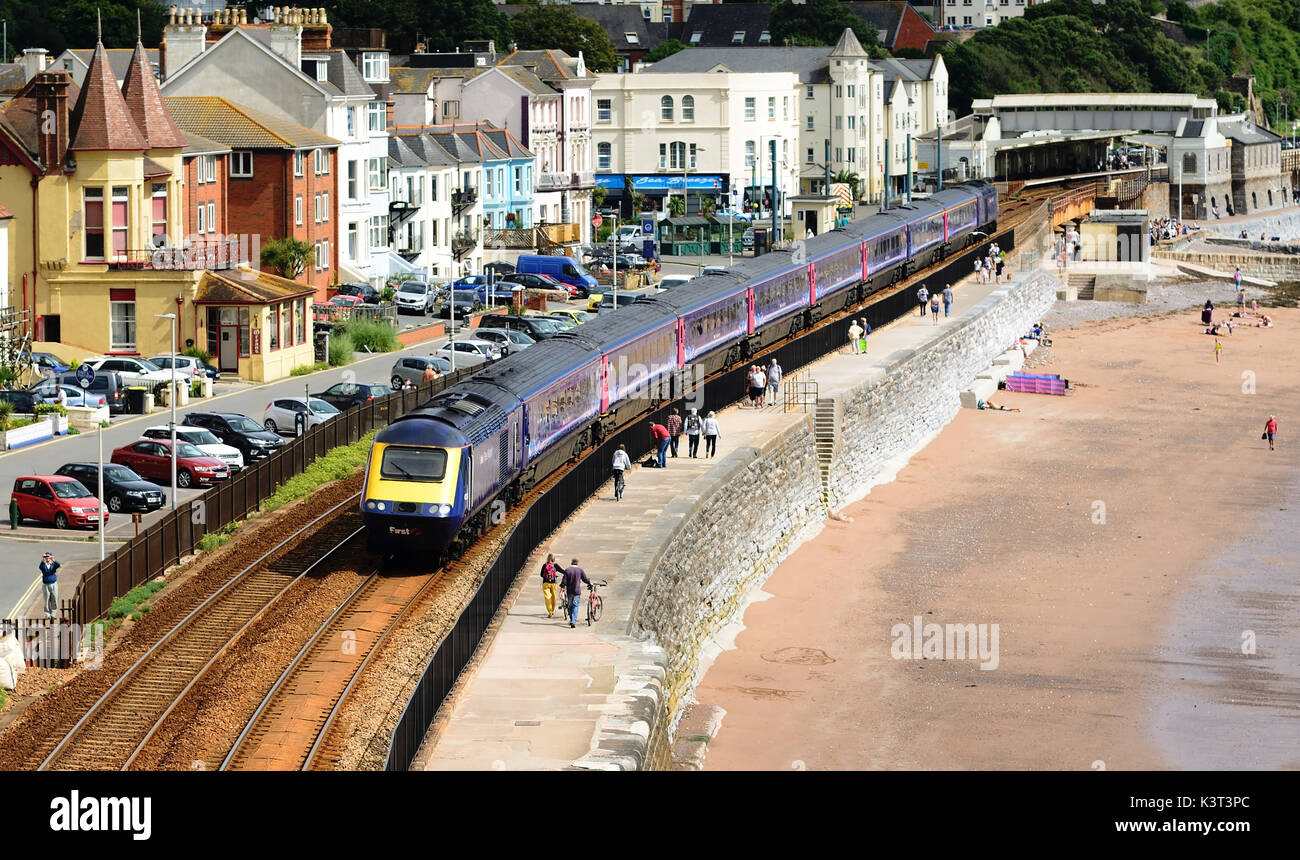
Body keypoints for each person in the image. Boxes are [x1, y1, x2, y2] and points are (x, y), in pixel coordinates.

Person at [561, 558, 592, 628]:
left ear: (571, 563)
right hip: (577, 591)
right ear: (577, 563)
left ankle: (572, 619)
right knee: (575, 605)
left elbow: (564, 582)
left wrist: (562, 588)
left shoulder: (567, 570)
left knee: (569, 605)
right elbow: (585, 579)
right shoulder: (580, 570)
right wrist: (589, 582)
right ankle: (573, 621)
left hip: (569, 591)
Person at [539, 553, 561, 617]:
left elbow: (541, 575)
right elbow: (563, 571)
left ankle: (550, 612)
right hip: (553, 583)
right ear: (554, 559)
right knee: (553, 597)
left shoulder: (544, 565)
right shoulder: (555, 565)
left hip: (546, 583)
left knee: (547, 597)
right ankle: (553, 610)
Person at [40, 551, 60, 620]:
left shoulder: (53, 564)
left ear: (51, 557)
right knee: (47, 600)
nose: (47, 558)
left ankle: (53, 614)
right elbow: (40, 567)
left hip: (54, 584)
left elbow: (58, 565)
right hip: (46, 585)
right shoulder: (43, 565)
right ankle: (47, 614)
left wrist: (54, 560)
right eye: (45, 557)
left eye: (48, 557)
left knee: (54, 598)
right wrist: (42, 560)